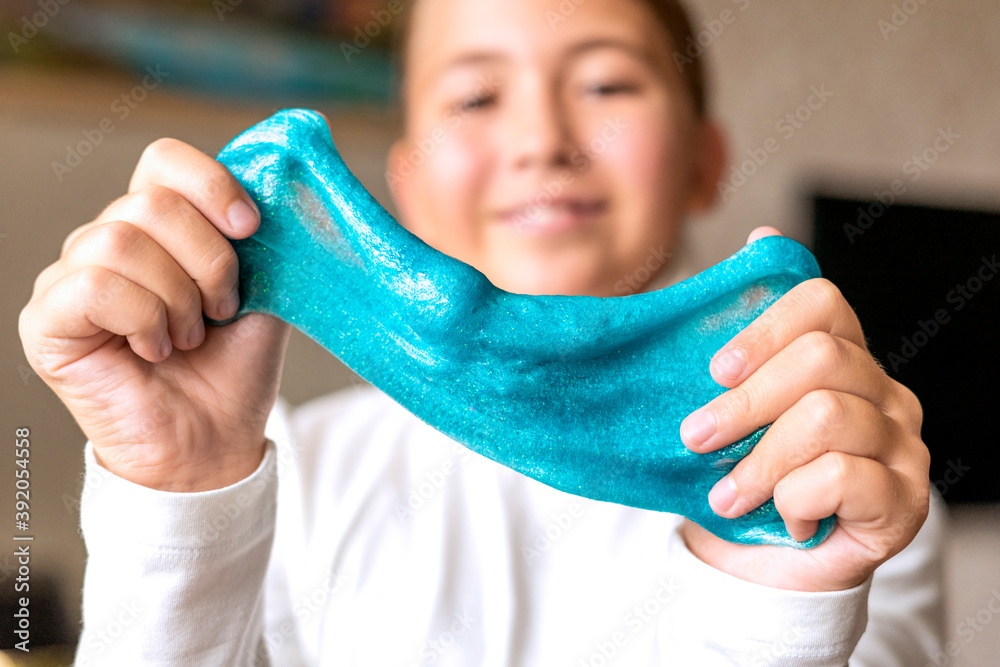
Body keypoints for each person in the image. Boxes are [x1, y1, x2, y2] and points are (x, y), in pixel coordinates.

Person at [19, 0, 945, 664]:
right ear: (409, 182)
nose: (542, 138)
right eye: (474, 97)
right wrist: (181, 503)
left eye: (609, 83)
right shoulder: (296, 477)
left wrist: (778, 593)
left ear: (704, 161)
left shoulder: (844, 490)